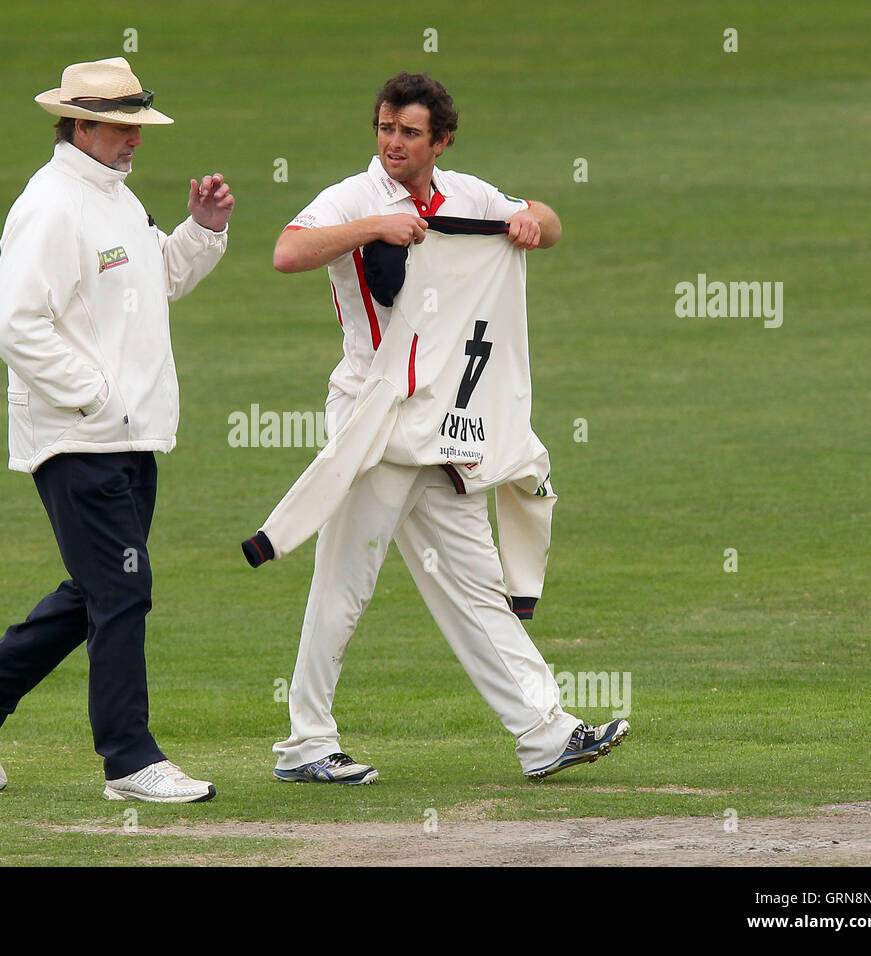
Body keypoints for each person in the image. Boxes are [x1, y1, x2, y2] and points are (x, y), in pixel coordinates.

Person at [266, 71, 627, 783]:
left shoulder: (470, 195)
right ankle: (306, 744)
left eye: (408, 132)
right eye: (384, 128)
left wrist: (531, 223)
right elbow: (287, 252)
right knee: (345, 582)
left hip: (447, 424)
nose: (393, 142)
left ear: (441, 140)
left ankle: (543, 731)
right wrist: (375, 227)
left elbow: (547, 223)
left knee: (473, 580)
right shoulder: (355, 197)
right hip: (375, 415)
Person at [0, 56, 234, 803]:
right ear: (80, 124)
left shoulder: (116, 200)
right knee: (125, 591)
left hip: (129, 435)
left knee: (99, 588)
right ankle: (130, 761)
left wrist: (202, 231)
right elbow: (15, 325)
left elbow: (153, 282)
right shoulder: (51, 205)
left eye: (137, 126)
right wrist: (94, 396)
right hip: (80, 436)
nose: (133, 140)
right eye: (120, 127)